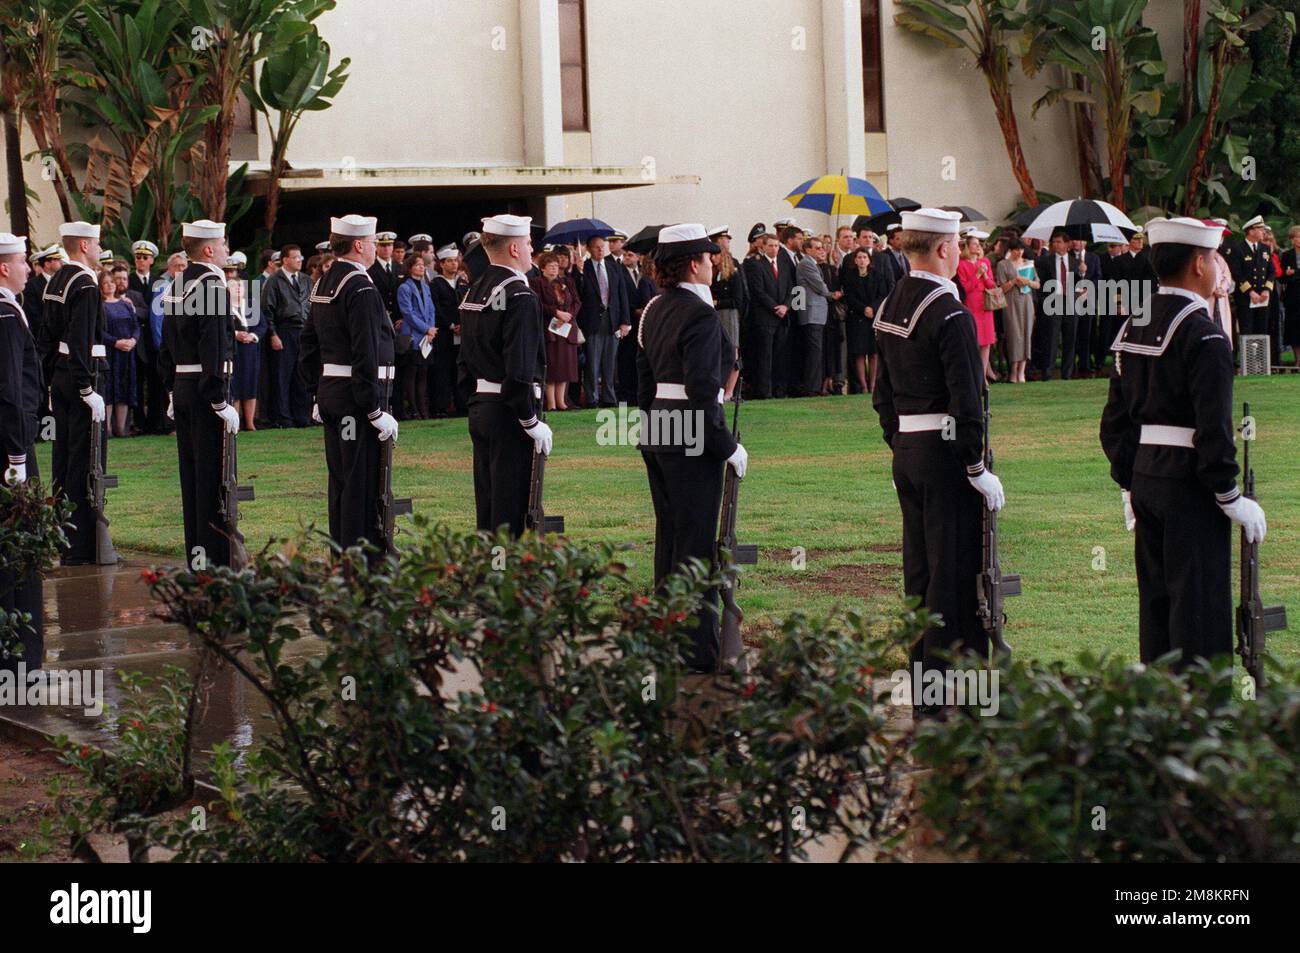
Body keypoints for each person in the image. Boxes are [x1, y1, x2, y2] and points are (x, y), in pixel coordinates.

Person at [1100, 217, 1265, 670]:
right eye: (1214, 257)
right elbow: (1214, 428)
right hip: (1189, 484)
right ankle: (1196, 723)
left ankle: (1159, 715)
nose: (1217, 267)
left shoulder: (1135, 326)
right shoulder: (1204, 333)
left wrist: (1130, 478)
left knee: (1157, 604)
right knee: (1199, 609)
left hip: (1147, 475)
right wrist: (1229, 494)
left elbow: (1114, 423)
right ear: (1198, 263)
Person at [872, 208, 1002, 714]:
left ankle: (928, 693)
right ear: (945, 248)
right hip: (946, 458)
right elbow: (967, 400)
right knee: (956, 574)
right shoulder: (948, 311)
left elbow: (883, 396)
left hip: (910, 449)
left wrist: (902, 442)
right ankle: (961, 697)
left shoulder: (892, 303)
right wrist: (976, 466)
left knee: (921, 573)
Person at [635, 223, 746, 674]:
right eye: (708, 256)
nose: (714, 262)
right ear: (694, 264)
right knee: (696, 542)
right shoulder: (698, 315)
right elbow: (703, 389)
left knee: (671, 538)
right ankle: (696, 649)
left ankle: (668, 634)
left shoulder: (654, 308)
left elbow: (643, 382)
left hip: (660, 427)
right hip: (692, 434)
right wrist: (725, 446)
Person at [299, 214, 398, 552]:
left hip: (333, 394)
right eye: (372, 242)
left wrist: (317, 390)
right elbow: (365, 353)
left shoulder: (325, 282)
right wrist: (373, 409)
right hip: (356, 402)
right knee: (360, 481)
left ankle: (342, 553)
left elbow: (308, 345)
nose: (374, 248)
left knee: (342, 479)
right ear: (359, 245)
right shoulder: (361, 286)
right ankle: (362, 558)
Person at [457, 213, 549, 538]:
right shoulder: (520, 295)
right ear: (513, 250)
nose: (530, 248)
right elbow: (520, 366)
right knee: (509, 507)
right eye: (526, 242)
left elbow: (465, 360)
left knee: (489, 501)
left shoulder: (476, 290)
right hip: (509, 412)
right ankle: (502, 572)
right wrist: (530, 420)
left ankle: (490, 569)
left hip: (482, 404)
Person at [157, 220, 238, 571]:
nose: (225, 251)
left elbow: (166, 349)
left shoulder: (177, 285)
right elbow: (214, 346)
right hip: (206, 393)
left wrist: (173, 390)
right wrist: (219, 399)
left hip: (183, 386)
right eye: (221, 245)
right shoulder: (211, 287)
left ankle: (198, 556)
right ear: (208, 249)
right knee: (211, 477)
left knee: (192, 477)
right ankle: (214, 560)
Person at [38, 221, 106, 565]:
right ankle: (79, 547)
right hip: (82, 375)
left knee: (63, 460)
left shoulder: (58, 279)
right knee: (84, 461)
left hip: (61, 375)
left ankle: (63, 538)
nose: (99, 249)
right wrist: (86, 388)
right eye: (96, 243)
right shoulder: (85, 283)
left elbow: (47, 338)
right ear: (82, 245)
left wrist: (53, 381)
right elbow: (81, 338)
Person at [0, 232, 44, 673]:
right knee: (18, 550)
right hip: (9, 444)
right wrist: (16, 457)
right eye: (23, 262)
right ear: (3, 268)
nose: (29, 269)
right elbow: (11, 389)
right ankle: (19, 659)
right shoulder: (6, 315)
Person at [576, 234, 630, 408]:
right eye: (596, 247)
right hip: (592, 321)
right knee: (592, 362)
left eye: (602, 246)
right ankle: (592, 398)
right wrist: (579, 273)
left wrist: (625, 321)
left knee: (610, 361)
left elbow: (622, 296)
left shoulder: (614, 268)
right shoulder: (584, 269)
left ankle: (609, 397)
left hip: (612, 319)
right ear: (589, 249)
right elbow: (579, 293)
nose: (600, 250)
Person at [263, 243, 312, 428]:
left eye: (300, 257)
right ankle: (284, 417)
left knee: (302, 375)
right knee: (283, 376)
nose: (299, 260)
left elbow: (311, 306)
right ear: (285, 260)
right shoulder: (274, 281)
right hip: (284, 330)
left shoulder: (306, 280)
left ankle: (302, 416)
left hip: (303, 330)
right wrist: (273, 334)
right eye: (295, 257)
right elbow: (267, 311)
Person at [741, 232, 791, 399]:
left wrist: (786, 305)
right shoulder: (757, 265)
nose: (774, 249)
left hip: (782, 317)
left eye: (776, 246)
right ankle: (765, 391)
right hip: (766, 317)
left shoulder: (783, 264)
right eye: (770, 245)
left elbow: (791, 288)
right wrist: (775, 307)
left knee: (780, 355)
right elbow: (758, 291)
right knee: (765, 356)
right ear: (762, 247)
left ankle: (780, 390)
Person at [531, 251, 581, 411]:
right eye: (550, 266)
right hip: (550, 330)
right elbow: (537, 303)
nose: (554, 269)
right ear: (543, 268)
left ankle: (562, 402)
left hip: (566, 329)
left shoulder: (567, 282)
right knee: (552, 367)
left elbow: (577, 302)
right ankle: (551, 403)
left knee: (565, 368)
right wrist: (556, 313)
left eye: (556, 266)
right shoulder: (536, 283)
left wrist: (569, 316)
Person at [1033, 230, 1084, 380]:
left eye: (1059, 242)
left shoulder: (1076, 263)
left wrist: (1082, 273)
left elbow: (1080, 285)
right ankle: (1047, 372)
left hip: (1070, 302)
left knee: (1070, 338)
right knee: (1051, 338)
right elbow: (1040, 283)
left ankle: (1067, 373)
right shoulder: (1045, 261)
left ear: (1067, 244)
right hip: (1053, 302)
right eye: (1054, 242)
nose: (1056, 244)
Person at [794, 236, 836, 396]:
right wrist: (831, 294)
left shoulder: (812, 264)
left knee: (817, 351)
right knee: (814, 352)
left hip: (817, 313)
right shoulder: (806, 264)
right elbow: (820, 286)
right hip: (812, 313)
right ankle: (812, 387)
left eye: (822, 247)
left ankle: (815, 386)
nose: (821, 250)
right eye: (817, 248)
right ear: (808, 249)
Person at [429, 244, 467, 418]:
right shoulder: (436, 284)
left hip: (461, 333)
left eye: (455, 261)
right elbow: (436, 308)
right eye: (449, 261)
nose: (453, 264)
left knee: (459, 369)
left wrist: (462, 324)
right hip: (444, 333)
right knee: (443, 370)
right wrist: (451, 325)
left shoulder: (461, 283)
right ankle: (441, 407)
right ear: (442, 264)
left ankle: (461, 404)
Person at [396, 253, 436, 419]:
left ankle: (423, 409)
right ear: (410, 267)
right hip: (414, 336)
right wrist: (426, 328)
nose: (422, 267)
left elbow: (431, 309)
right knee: (411, 374)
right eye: (418, 265)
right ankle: (413, 409)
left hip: (427, 337)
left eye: (422, 265)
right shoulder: (404, 287)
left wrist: (432, 328)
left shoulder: (426, 286)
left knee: (423, 374)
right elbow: (408, 313)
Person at [98, 271, 137, 438]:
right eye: (106, 282)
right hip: (110, 352)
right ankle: (106, 429)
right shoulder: (99, 306)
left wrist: (133, 340)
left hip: (127, 354)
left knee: (124, 388)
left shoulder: (126, 304)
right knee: (108, 389)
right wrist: (115, 342)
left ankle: (121, 429)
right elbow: (98, 330)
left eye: (112, 282)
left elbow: (135, 325)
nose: (110, 285)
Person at [227, 255, 264, 431]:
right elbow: (222, 329)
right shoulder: (223, 307)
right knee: (235, 386)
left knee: (250, 385)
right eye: (234, 287)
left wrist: (253, 336)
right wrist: (235, 334)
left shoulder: (251, 304)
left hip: (250, 350)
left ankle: (250, 422)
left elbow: (262, 325)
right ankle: (236, 422)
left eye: (240, 286)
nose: (239, 289)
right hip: (234, 351)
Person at [995, 238, 1038, 383]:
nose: (1019, 253)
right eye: (1016, 250)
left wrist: (1028, 282)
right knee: (1014, 335)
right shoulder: (1003, 265)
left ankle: (1022, 371)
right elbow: (1001, 288)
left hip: (1027, 301)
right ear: (1010, 250)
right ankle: (1013, 371)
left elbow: (1037, 284)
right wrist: (1013, 281)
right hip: (1011, 302)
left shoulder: (1028, 264)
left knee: (1026, 333)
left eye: (1021, 250)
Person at [956, 230, 997, 382]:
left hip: (985, 304)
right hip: (971, 303)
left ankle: (983, 375)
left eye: (979, 244)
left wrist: (985, 275)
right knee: (975, 340)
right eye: (974, 244)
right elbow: (965, 288)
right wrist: (977, 274)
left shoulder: (985, 262)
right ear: (967, 246)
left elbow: (992, 285)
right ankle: (974, 374)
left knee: (986, 342)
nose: (978, 246)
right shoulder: (961, 265)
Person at [842, 246, 874, 394]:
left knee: (874, 353)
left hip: (873, 317)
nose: (862, 260)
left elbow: (882, 294)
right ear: (855, 260)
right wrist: (864, 309)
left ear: (869, 260)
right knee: (860, 352)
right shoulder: (850, 277)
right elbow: (850, 297)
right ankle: (863, 386)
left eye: (864, 257)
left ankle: (873, 385)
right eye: (859, 257)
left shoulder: (876, 275)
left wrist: (873, 308)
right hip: (858, 317)